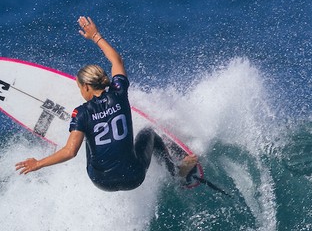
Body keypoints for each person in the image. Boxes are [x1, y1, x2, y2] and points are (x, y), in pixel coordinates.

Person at [16, 17, 199, 191]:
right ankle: (176, 171)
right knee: (149, 132)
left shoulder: (81, 113)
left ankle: (85, 133)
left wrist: (38, 164)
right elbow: (116, 60)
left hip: (101, 181)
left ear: (86, 87)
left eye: (79, 87)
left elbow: (70, 152)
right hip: (134, 177)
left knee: (89, 134)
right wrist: (96, 36)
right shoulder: (119, 92)